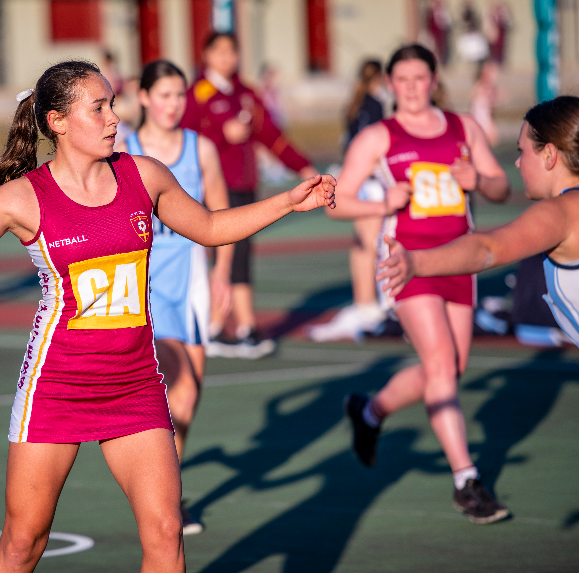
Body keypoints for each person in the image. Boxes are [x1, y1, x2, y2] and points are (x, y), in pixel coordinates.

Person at [0, 59, 336, 572]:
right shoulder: (21, 199)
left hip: (135, 386)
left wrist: (288, 201)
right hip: (56, 388)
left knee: (166, 533)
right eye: (99, 108)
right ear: (57, 122)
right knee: (23, 543)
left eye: (113, 105)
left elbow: (213, 227)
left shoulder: (144, 176)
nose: (114, 118)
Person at [327, 45, 512, 524]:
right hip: (406, 261)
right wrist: (381, 202)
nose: (411, 87)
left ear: (434, 79)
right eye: (401, 79)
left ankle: (370, 411)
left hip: (458, 258)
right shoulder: (378, 137)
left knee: (452, 366)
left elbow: (500, 186)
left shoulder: (462, 128)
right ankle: (466, 480)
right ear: (390, 84)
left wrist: (479, 180)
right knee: (439, 365)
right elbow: (337, 201)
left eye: (419, 77)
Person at [378, 95, 579, 366]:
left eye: (521, 152)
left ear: (549, 155)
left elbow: (487, 250)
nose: (517, 163)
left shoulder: (562, 212)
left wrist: (415, 261)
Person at [117, 59, 233, 535]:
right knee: (176, 388)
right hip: (145, 282)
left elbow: (221, 211)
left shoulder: (199, 148)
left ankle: (165, 483)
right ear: (143, 97)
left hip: (192, 278)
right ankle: (168, 498)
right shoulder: (125, 148)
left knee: (190, 396)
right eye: (163, 95)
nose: (172, 104)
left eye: (179, 95)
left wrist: (224, 272)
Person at [180, 32, 320, 358]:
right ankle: (220, 326)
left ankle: (238, 327)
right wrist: (219, 133)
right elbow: (182, 135)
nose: (228, 58)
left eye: (233, 51)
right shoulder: (197, 94)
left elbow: (271, 134)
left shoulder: (245, 94)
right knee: (218, 254)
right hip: (212, 186)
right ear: (206, 54)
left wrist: (303, 168)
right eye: (220, 51)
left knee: (241, 253)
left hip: (244, 183)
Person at [309, 59, 387, 342]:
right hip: (371, 182)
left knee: (362, 243)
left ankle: (367, 301)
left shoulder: (354, 104)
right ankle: (370, 305)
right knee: (372, 243)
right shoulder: (374, 105)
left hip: (356, 179)